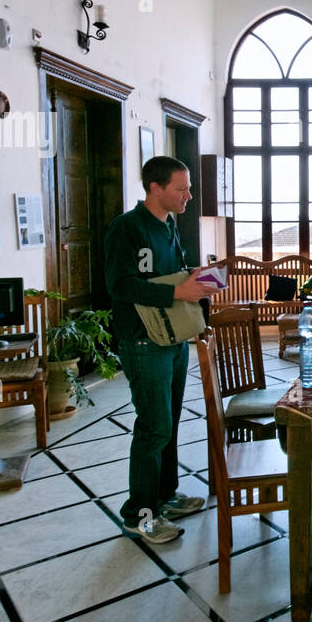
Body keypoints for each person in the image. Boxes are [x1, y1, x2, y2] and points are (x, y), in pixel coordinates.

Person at [105, 156, 217, 545]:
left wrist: (200, 283)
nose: (189, 195)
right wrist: (178, 291)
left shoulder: (170, 225)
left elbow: (173, 275)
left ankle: (166, 496)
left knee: (168, 423)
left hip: (173, 338)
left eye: (188, 188)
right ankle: (140, 513)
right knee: (153, 427)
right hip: (143, 340)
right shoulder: (128, 228)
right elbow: (122, 285)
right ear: (155, 188)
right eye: (181, 189)